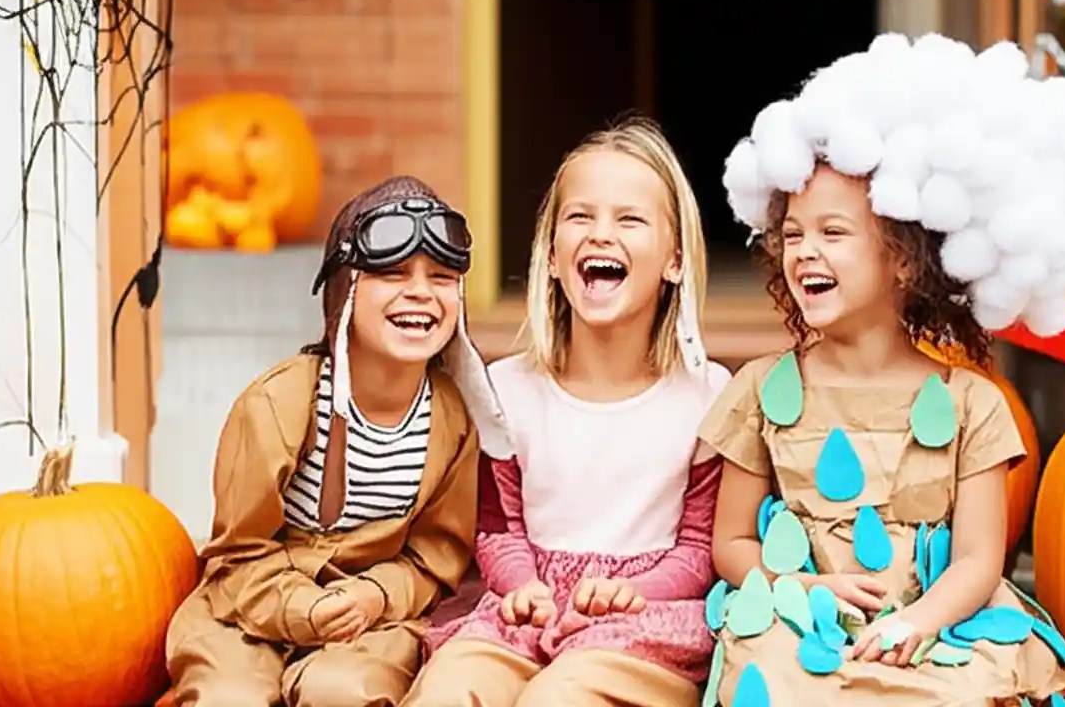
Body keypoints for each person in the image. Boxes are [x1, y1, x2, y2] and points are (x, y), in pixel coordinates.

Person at [699, 33, 1065, 705]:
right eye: (792, 234)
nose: (805, 252)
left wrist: (919, 620)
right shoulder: (762, 389)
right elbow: (730, 542)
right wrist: (801, 588)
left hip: (936, 625)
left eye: (834, 233)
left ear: (904, 260)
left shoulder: (971, 403)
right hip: (803, 621)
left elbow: (978, 558)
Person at [402, 116, 731, 707]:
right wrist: (522, 585)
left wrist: (633, 591)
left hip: (642, 625)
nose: (601, 234)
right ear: (552, 256)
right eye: (580, 217)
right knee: (451, 686)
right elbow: (498, 528)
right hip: (525, 613)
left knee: (561, 698)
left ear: (675, 260)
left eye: (629, 219)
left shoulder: (706, 395)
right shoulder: (506, 390)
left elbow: (700, 547)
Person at [164, 176, 514, 707]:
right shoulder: (276, 406)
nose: (420, 291)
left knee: (343, 692)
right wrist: (301, 607)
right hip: (251, 605)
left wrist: (376, 594)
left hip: (373, 616)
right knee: (227, 696)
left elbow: (435, 556)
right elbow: (237, 556)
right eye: (393, 273)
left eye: (441, 277)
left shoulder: (452, 421)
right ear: (343, 292)